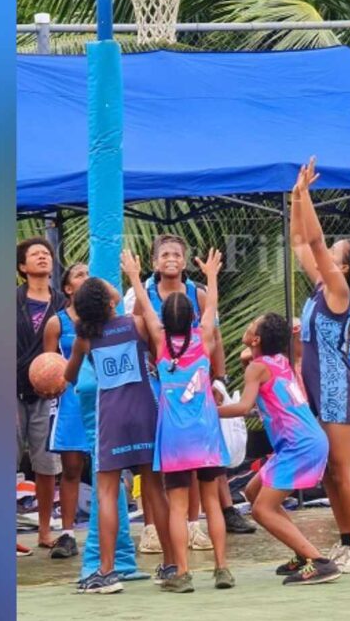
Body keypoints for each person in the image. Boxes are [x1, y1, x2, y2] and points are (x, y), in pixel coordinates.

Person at [132, 234, 255, 548]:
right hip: (158, 382)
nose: (171, 258)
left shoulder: (196, 295)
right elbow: (139, 332)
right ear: (154, 263)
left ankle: (191, 526)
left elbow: (212, 332)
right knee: (155, 462)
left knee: (191, 464)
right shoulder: (141, 295)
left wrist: (219, 380)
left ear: (184, 261)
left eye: (177, 253)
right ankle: (150, 529)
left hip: (192, 383)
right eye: (165, 254)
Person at [123, 248, 235, 593]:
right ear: (192, 317)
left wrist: (133, 275)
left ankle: (182, 573)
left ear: (163, 319)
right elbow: (211, 307)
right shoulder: (203, 338)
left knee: (178, 505)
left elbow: (143, 305)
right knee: (212, 502)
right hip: (205, 433)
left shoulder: (159, 341)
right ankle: (222, 568)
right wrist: (212, 276)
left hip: (174, 437)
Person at [290, 157, 350, 573]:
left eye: (335, 254)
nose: (327, 256)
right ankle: (346, 543)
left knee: (344, 471)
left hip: (339, 392)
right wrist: (295, 198)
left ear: (343, 267)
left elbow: (315, 242)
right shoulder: (321, 287)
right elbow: (298, 243)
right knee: (329, 473)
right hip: (319, 393)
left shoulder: (341, 290)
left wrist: (307, 195)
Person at [63, 277, 172, 595]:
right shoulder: (137, 324)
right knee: (155, 493)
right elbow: (156, 348)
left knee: (108, 493)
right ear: (110, 301)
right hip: (144, 413)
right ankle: (170, 565)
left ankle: (107, 572)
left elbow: (69, 376)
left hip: (110, 418)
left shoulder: (85, 338)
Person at [219, 313, 341, 586]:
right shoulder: (279, 360)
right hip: (303, 441)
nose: (248, 325)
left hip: (299, 445)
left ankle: (319, 562)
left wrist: (206, 412)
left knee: (261, 510)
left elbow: (242, 406)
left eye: (251, 325)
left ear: (257, 339)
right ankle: (301, 554)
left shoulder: (257, 368)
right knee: (251, 491)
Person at [15, 237, 66, 549]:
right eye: (35, 254)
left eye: (46, 253)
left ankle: (45, 529)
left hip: (49, 394)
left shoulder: (62, 303)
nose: (43, 257)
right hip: (9, 388)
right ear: (22, 266)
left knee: (46, 463)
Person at [40, 262, 90, 559]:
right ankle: (68, 533)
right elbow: (47, 368)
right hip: (71, 401)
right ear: (68, 288)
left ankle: (111, 529)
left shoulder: (107, 319)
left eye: (89, 273)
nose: (86, 277)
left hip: (103, 398)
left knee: (109, 469)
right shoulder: (56, 323)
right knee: (71, 468)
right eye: (79, 274)